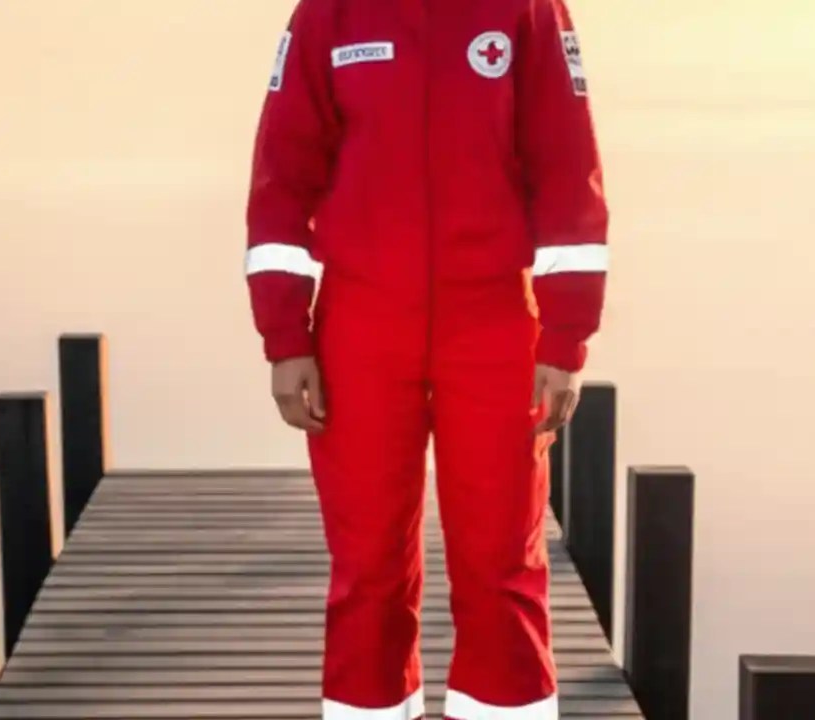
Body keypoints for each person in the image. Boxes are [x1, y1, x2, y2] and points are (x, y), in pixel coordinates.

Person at [244, 0, 607, 717]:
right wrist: (285, 337)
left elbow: (570, 174)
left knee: (502, 568)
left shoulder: (529, 11)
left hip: (496, 328)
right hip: (361, 330)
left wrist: (566, 338)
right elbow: (282, 179)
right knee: (366, 574)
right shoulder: (330, 15)